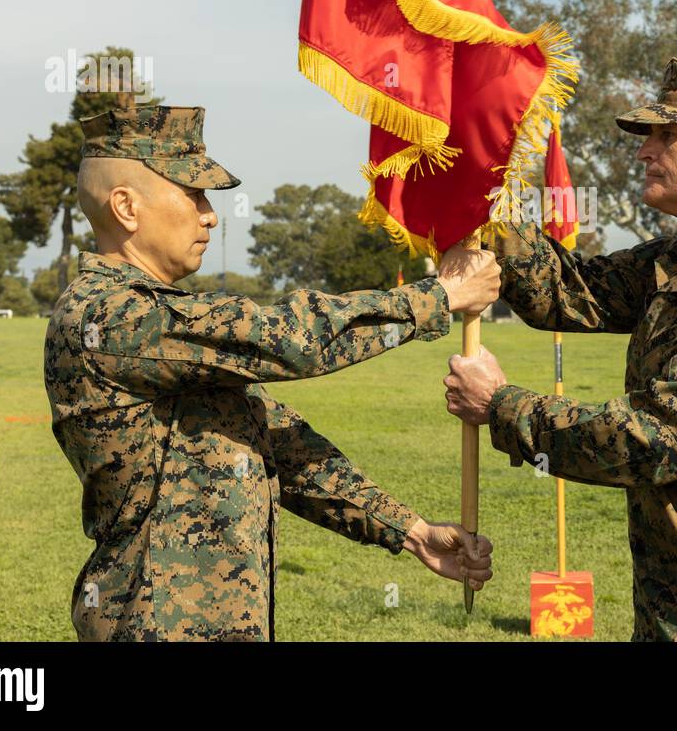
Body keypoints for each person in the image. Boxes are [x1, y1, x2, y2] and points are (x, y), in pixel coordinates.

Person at [45, 104, 498, 640]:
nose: (210, 214)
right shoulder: (108, 315)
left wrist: (411, 531)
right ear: (125, 206)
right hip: (152, 622)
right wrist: (438, 298)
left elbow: (281, 445)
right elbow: (283, 338)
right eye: (193, 194)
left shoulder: (164, 328)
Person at [443, 59, 677, 640]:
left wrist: (500, 404)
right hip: (671, 611)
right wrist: (486, 195)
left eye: (666, 135)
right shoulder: (672, 260)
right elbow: (568, 293)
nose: (644, 152)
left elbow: (656, 439)